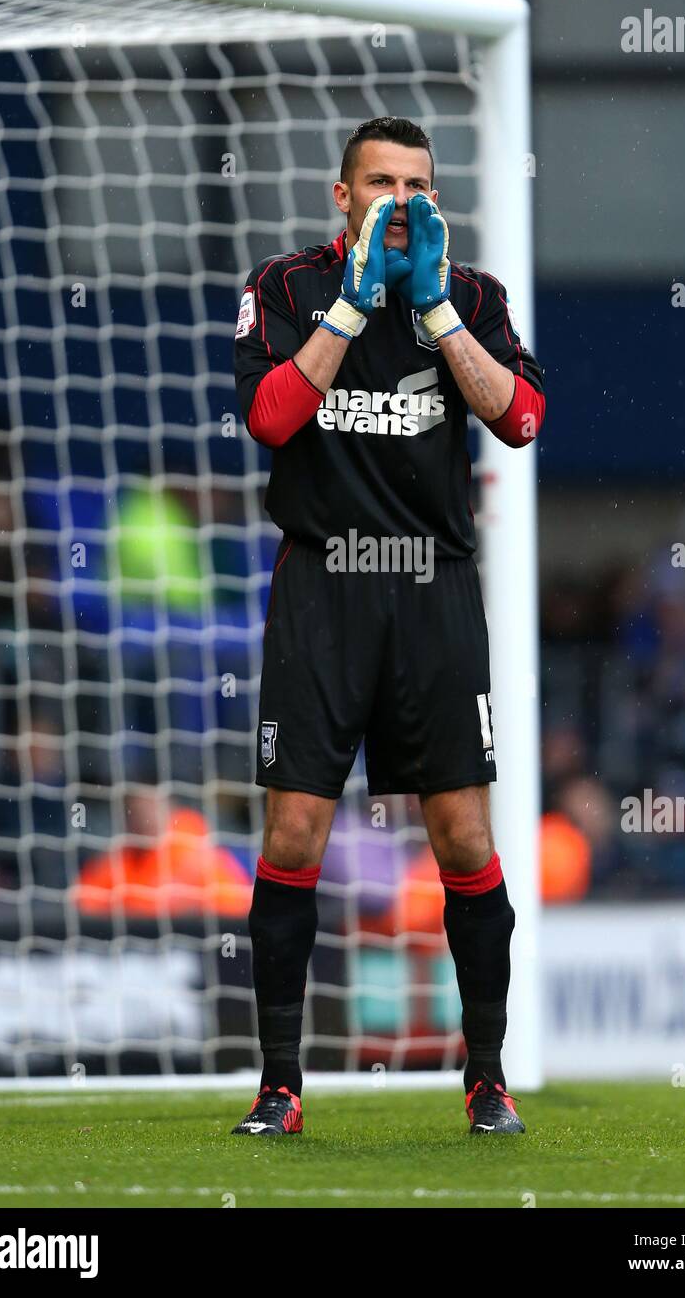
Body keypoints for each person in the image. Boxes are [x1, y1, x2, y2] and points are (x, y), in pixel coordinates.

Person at [232, 116, 545, 1136]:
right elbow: (271, 420)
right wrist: (354, 302)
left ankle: (485, 1078)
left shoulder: (475, 296)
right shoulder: (284, 286)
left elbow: (522, 418)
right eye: (379, 182)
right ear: (341, 195)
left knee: (460, 835)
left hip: (431, 587)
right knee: (292, 831)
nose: (399, 200)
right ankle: (279, 1087)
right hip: (323, 584)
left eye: (416, 184)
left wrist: (436, 314)